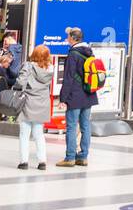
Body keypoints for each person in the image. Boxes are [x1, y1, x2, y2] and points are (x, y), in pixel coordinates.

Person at [57, 28, 98, 168]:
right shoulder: (89, 52)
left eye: (67, 36)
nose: (66, 38)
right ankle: (83, 156)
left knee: (71, 126)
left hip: (75, 95)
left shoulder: (73, 54)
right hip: (89, 93)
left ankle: (70, 157)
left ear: (73, 38)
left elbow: (68, 78)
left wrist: (63, 98)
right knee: (85, 126)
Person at [13, 45, 53, 170]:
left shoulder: (28, 66)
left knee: (24, 134)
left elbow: (20, 82)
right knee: (39, 134)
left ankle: (24, 162)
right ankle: (42, 162)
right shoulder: (50, 69)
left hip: (28, 102)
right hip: (42, 103)